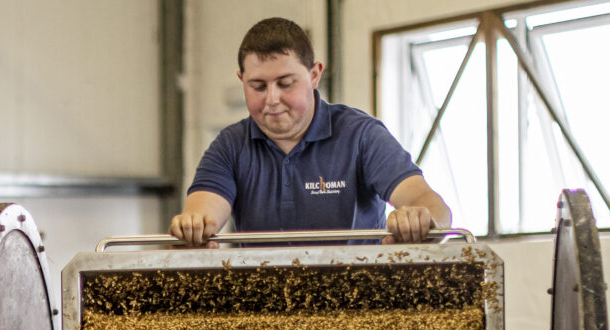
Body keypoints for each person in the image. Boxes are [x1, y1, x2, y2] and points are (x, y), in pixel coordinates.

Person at [170, 17, 451, 246]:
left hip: (360, 305)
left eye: (285, 83)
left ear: (314, 74)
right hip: (263, 308)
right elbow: (202, 214)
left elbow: (431, 206)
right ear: (241, 79)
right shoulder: (230, 146)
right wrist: (192, 227)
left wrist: (421, 218)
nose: (271, 99)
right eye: (257, 86)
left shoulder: (361, 136)